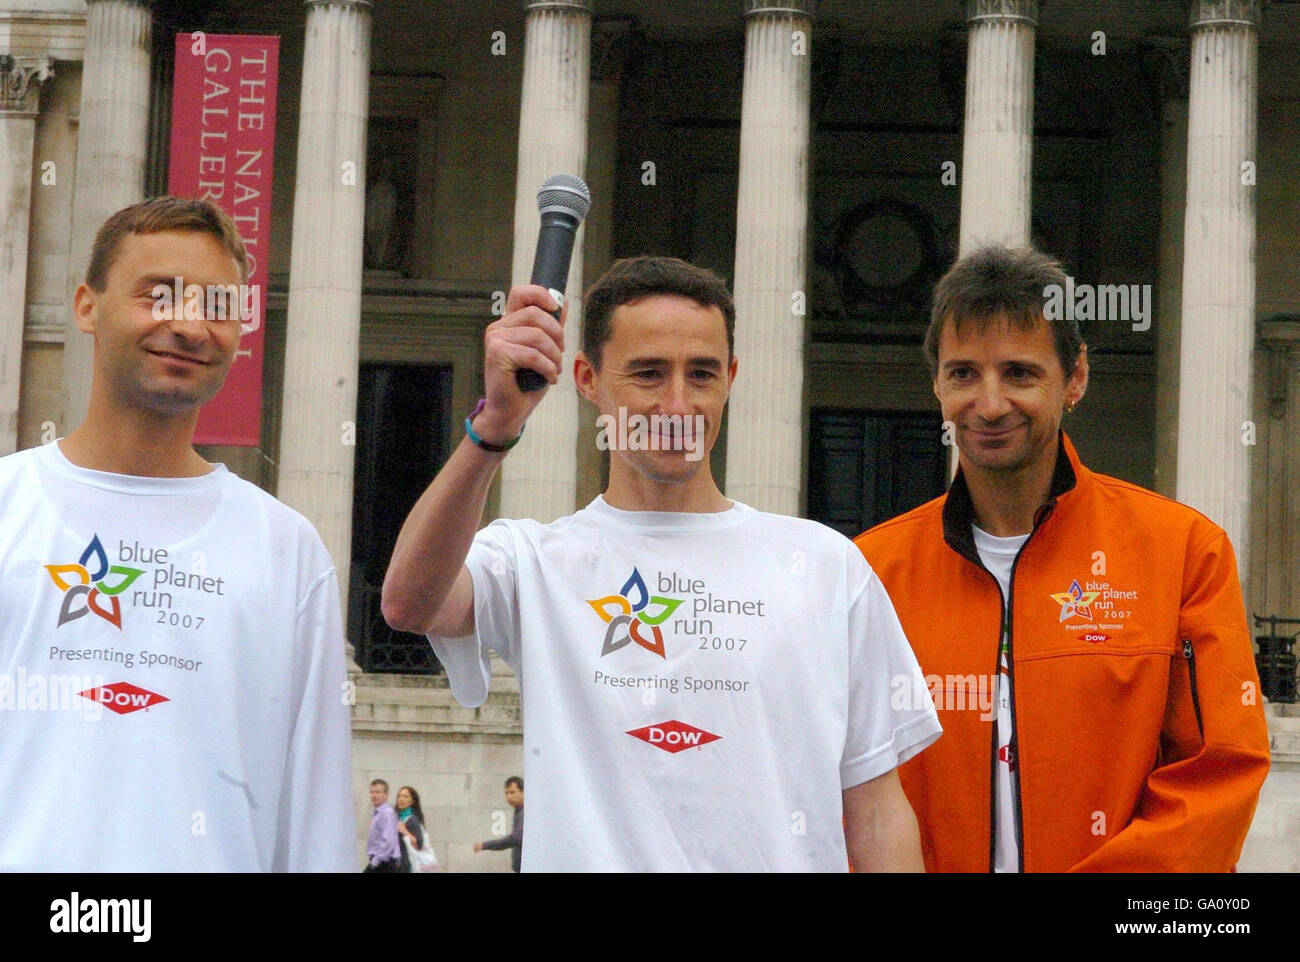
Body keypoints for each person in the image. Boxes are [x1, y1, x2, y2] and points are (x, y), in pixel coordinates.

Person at [383, 256, 941, 872]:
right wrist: (496, 424)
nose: (678, 403)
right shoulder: (532, 559)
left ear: (730, 378)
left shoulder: (827, 565)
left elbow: (878, 812)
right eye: (648, 374)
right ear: (588, 380)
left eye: (701, 374)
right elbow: (411, 603)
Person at [853, 244, 1272, 872]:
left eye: (1020, 373)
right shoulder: (868, 570)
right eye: (963, 373)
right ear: (937, 383)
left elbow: (1220, 775)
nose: (989, 405)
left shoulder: (1183, 550)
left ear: (1075, 378)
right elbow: (837, 786)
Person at [0, 196, 353, 872]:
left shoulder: (287, 548)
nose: (190, 326)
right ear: (86, 306)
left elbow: (317, 814)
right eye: (159, 295)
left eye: (219, 307)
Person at [474, 776, 523, 872]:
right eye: (506, 793)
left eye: (512, 792)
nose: (508, 797)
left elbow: (515, 838)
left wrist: (485, 845)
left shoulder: (526, 812)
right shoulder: (519, 811)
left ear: (523, 792)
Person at [365, 779, 403, 873]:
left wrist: (375, 862)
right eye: (372, 792)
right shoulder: (379, 813)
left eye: (378, 792)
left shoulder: (387, 813)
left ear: (386, 794)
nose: (374, 795)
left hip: (384, 862)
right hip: (382, 861)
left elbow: (388, 841)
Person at [395, 785, 427, 864]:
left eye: (406, 797)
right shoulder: (397, 816)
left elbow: (419, 844)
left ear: (412, 801)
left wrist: (404, 831)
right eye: (399, 796)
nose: (401, 799)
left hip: (406, 863)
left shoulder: (412, 819)